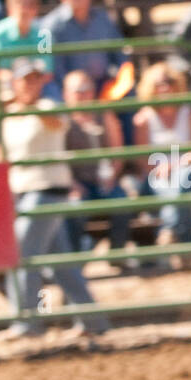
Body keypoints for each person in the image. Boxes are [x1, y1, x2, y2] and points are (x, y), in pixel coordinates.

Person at [0, 58, 107, 338]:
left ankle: (27, 322)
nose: (31, 84)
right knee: (61, 263)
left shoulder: (48, 107)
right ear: (15, 83)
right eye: (25, 79)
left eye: (35, 78)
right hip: (24, 193)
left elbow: (57, 122)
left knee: (22, 256)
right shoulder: (10, 114)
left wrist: (19, 102)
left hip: (45, 191)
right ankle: (92, 320)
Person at [133, 61, 191, 254]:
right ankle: (186, 245)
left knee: (184, 179)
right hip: (156, 175)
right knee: (174, 189)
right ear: (151, 88)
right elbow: (142, 158)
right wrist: (160, 171)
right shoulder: (144, 119)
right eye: (159, 84)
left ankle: (168, 229)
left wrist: (172, 166)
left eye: (169, 82)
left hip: (188, 172)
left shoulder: (189, 114)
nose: (164, 87)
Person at [60, 69, 129, 254]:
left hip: (105, 180)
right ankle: (75, 261)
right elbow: (58, 160)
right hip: (77, 183)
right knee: (74, 209)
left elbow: (117, 152)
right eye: (77, 90)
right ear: (66, 94)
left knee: (122, 202)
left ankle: (117, 254)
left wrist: (112, 176)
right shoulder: (61, 120)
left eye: (86, 88)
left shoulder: (103, 114)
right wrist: (72, 185)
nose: (83, 94)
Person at [41, 0, 122, 91]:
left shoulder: (104, 19)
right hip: (67, 90)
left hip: (105, 86)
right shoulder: (48, 26)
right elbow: (48, 64)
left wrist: (118, 79)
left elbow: (119, 52)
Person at [0, 0, 44, 98]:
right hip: (6, 86)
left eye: (30, 5)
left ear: (36, 9)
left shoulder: (44, 33)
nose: (24, 10)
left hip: (39, 87)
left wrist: (30, 85)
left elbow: (47, 71)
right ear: (9, 8)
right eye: (20, 4)